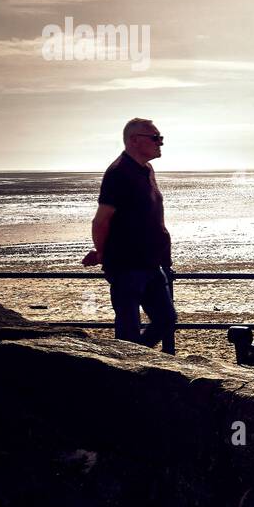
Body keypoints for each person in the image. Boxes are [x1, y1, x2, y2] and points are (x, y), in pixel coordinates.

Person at [82, 118, 177, 353]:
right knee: (128, 331)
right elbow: (101, 220)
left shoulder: (146, 170)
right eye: (155, 138)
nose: (160, 143)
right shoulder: (118, 173)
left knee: (166, 320)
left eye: (161, 138)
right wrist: (103, 253)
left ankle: (136, 361)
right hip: (126, 267)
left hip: (153, 264)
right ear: (134, 140)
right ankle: (130, 373)